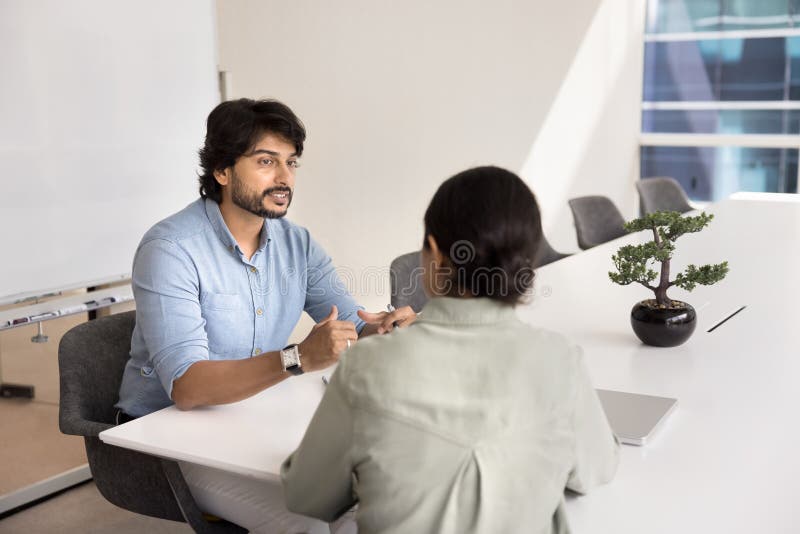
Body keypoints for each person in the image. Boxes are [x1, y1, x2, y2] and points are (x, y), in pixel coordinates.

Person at [115, 98, 415, 533]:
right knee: (307, 521)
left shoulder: (298, 244)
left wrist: (385, 328)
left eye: (291, 163)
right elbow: (188, 387)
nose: (284, 178)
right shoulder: (170, 249)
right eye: (265, 161)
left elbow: (351, 325)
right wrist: (296, 358)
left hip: (250, 416)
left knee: (362, 497)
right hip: (167, 439)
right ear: (221, 170)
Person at [281, 166, 619, 533]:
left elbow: (306, 497)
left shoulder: (365, 366)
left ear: (436, 254)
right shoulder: (560, 361)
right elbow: (597, 470)